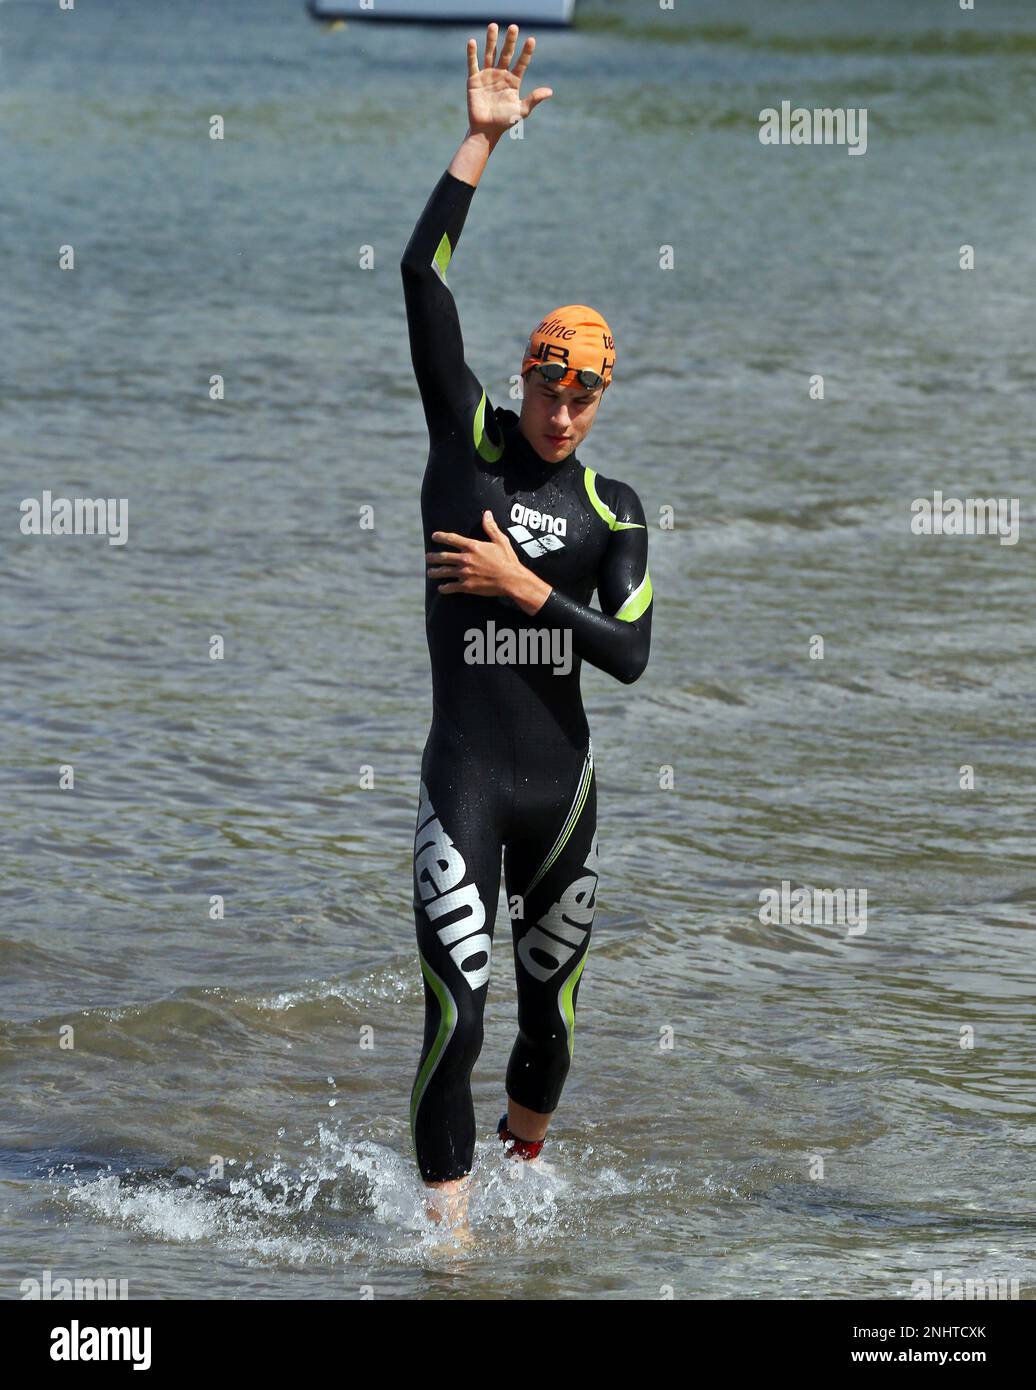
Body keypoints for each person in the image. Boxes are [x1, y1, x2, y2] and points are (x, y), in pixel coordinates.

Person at [400, 22, 653, 1221]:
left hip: (561, 794)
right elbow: (419, 277)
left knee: (552, 1019)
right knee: (458, 1011)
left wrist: (526, 593)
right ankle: (446, 1256)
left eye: (582, 395)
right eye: (548, 385)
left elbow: (633, 654)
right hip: (465, 775)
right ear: (525, 374)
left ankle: (525, 1183)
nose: (559, 410)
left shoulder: (614, 509)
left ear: (605, 401)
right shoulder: (468, 441)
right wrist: (478, 142)